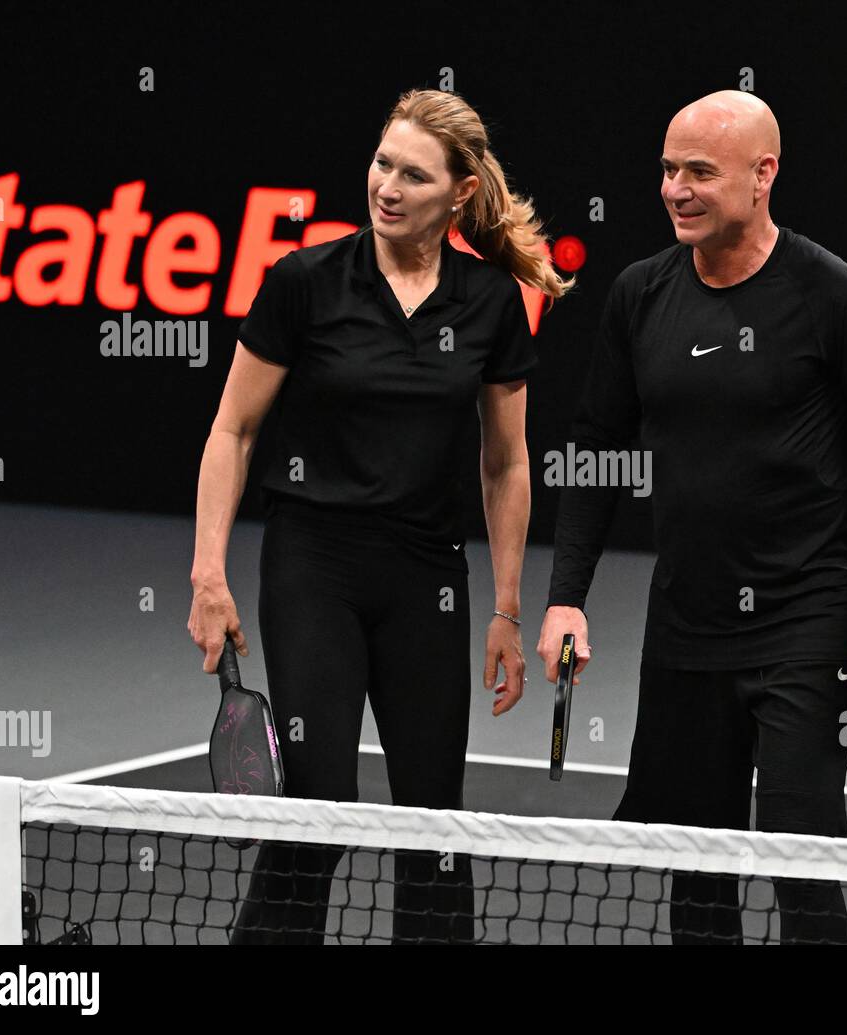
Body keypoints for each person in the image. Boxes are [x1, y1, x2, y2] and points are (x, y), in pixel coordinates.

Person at [537, 91, 847, 944]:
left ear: (764, 177)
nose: (676, 189)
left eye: (699, 173)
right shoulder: (640, 295)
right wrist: (566, 595)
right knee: (699, 868)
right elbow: (595, 447)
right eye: (667, 171)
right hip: (687, 622)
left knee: (801, 851)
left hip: (809, 616)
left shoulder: (831, 295)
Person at [187, 88, 573, 944]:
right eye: (381, 163)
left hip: (427, 575)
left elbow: (507, 463)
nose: (388, 186)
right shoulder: (304, 282)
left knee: (433, 824)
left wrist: (507, 607)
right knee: (317, 807)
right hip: (312, 563)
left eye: (413, 174)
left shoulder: (488, 303)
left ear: (459, 194)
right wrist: (208, 571)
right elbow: (233, 428)